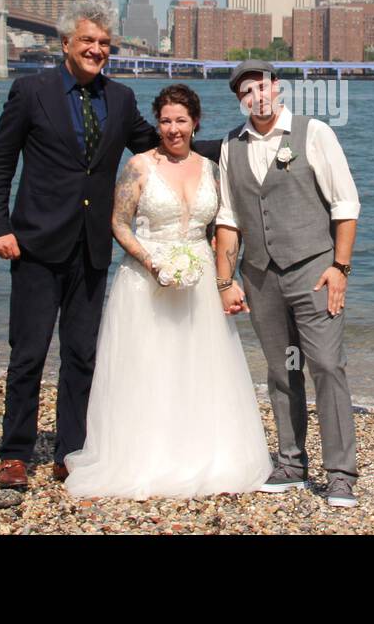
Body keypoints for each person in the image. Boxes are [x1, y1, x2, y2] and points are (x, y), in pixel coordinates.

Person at [0, 0, 221, 490]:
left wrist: (238, 145)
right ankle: (15, 454)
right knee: (28, 352)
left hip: (92, 249)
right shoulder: (31, 92)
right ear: (66, 43)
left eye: (104, 44)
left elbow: (159, 147)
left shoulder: (121, 98)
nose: (96, 50)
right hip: (36, 244)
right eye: (87, 41)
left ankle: (71, 451)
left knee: (82, 354)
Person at [61, 84, 272, 499]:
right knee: (149, 366)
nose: (173, 129)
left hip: (198, 280)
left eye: (181, 120)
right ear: (157, 124)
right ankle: (143, 455)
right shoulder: (139, 166)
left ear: (195, 122)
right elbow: (119, 223)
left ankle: (199, 451)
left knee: (196, 367)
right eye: (165, 121)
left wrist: (225, 281)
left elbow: (223, 230)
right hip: (145, 281)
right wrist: (151, 262)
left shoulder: (212, 168)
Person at [214, 60, 362, 508]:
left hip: (313, 270)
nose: (257, 96)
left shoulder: (314, 133)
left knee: (326, 366)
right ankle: (291, 463)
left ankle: (340, 473)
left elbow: (345, 204)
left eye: (262, 86)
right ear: (240, 99)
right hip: (259, 274)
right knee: (281, 371)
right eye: (246, 91)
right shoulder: (229, 147)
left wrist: (340, 268)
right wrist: (225, 280)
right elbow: (228, 219)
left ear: (276, 88)